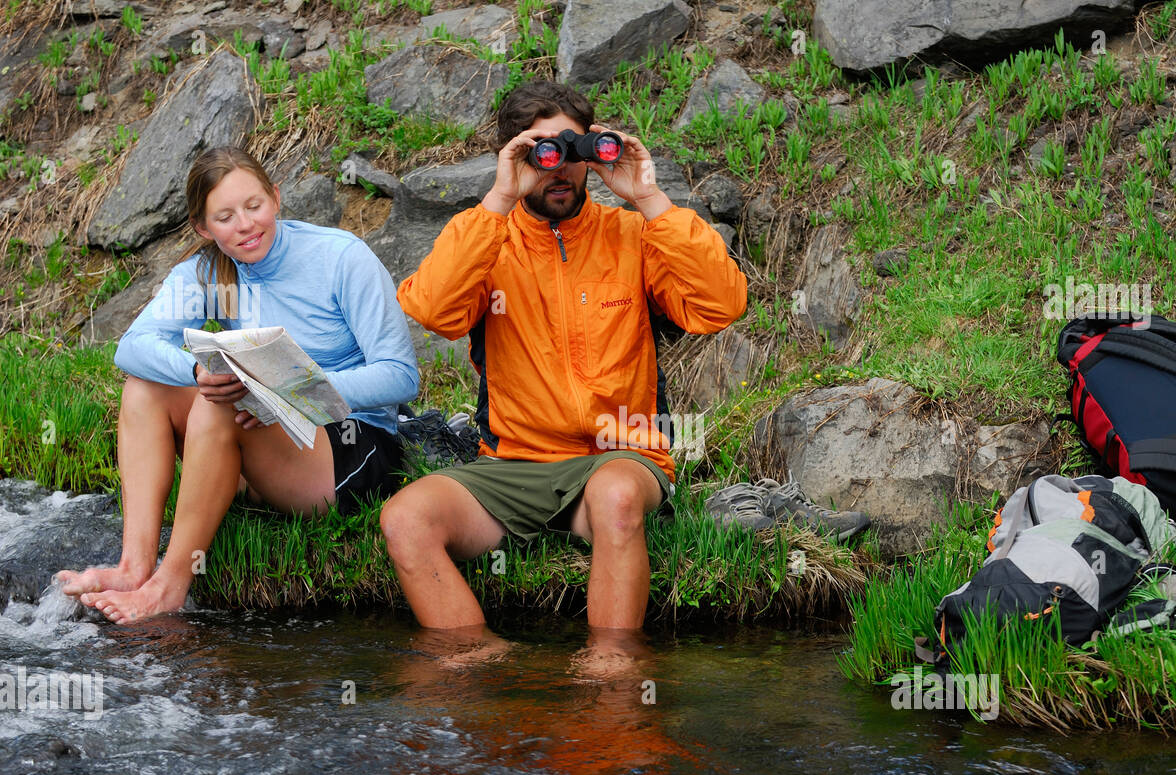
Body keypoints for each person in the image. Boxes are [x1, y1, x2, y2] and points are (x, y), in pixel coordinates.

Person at [382, 80, 747, 632]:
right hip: (514, 464)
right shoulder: (489, 239)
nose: (560, 168)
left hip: (619, 457)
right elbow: (434, 310)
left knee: (617, 496)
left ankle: (612, 680)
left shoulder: (632, 234)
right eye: (540, 151)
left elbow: (720, 305)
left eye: (571, 149)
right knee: (405, 519)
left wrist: (649, 198)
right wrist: (500, 200)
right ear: (514, 156)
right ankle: (476, 668)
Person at [58, 146, 419, 624]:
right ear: (204, 228)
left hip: (350, 445)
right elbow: (133, 346)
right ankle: (133, 566)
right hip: (266, 442)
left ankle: (170, 585)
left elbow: (401, 375)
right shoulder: (209, 271)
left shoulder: (340, 257)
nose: (246, 225)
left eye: (254, 206)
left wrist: (289, 392)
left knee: (219, 404)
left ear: (275, 197)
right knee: (144, 387)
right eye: (225, 217)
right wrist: (195, 373)